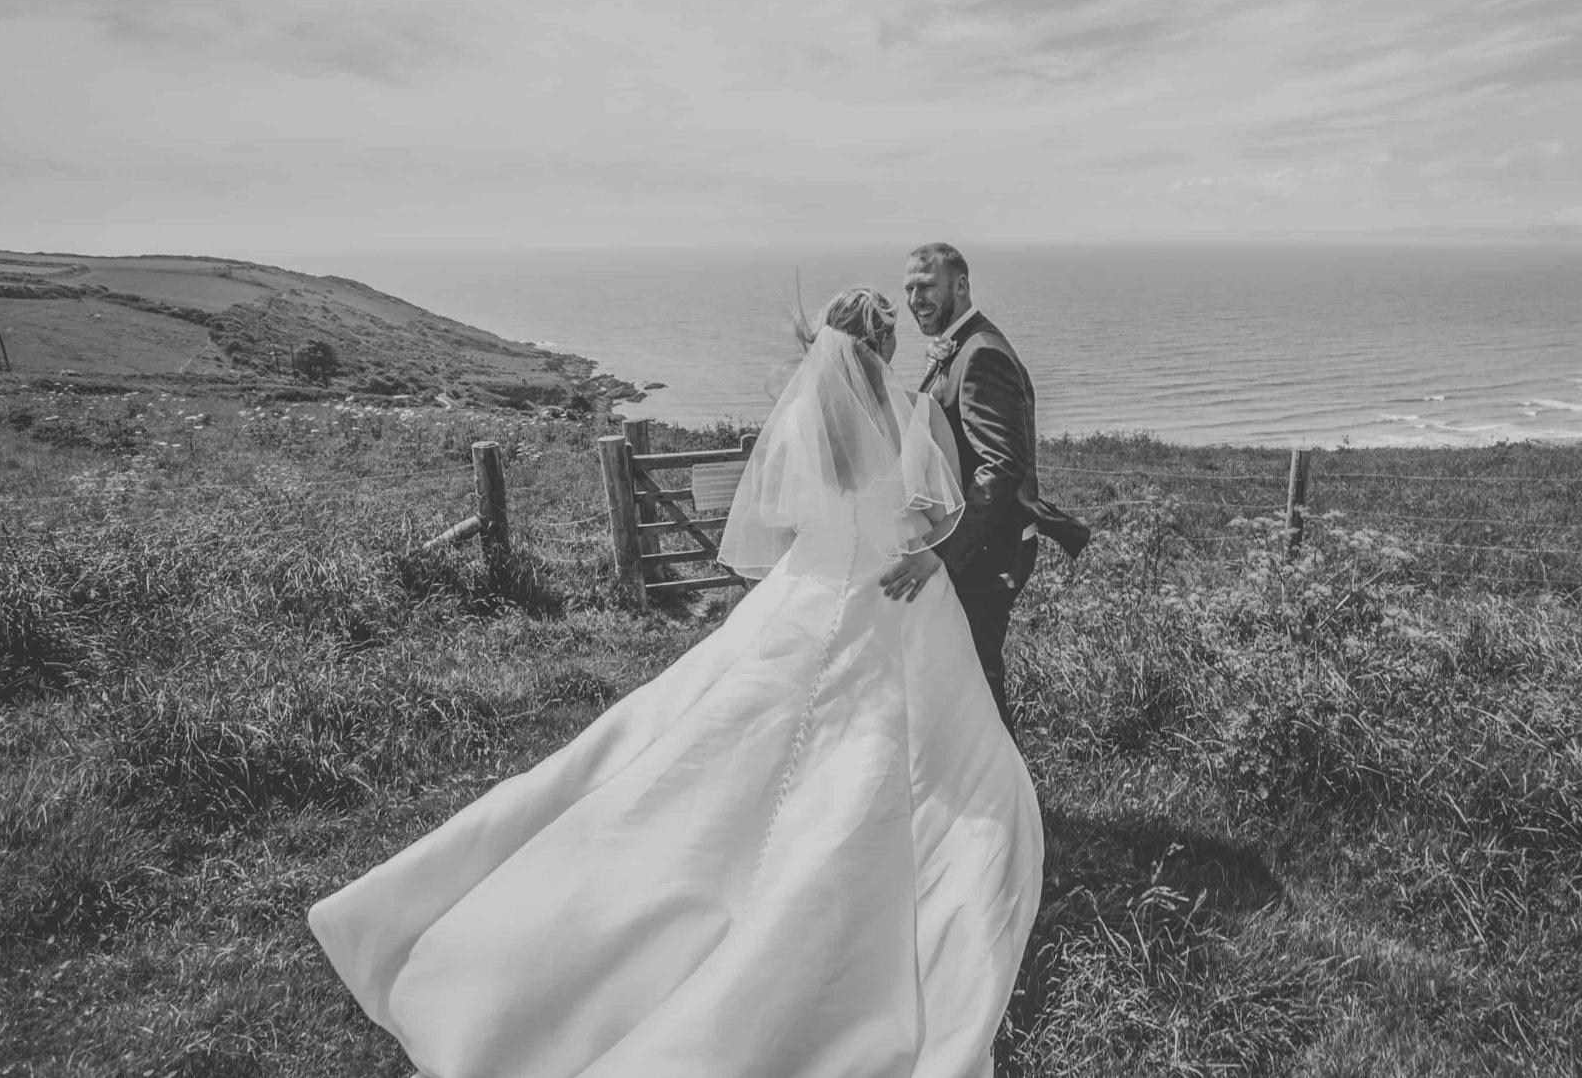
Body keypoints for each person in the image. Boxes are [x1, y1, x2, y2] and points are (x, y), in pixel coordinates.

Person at [307, 286, 1042, 1078]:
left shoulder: (801, 419)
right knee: (924, 756)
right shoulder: (914, 416)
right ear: (884, 348)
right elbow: (938, 515)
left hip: (810, 588)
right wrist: (913, 545)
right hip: (899, 595)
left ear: (828, 347)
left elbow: (784, 519)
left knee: (706, 728)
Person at [881, 244, 1088, 738]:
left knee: (978, 679)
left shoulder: (982, 354)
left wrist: (941, 553)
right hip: (976, 545)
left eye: (927, 285)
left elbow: (1000, 467)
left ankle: (1007, 799)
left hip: (989, 552)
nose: (915, 298)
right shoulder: (963, 344)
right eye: (909, 288)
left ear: (961, 284)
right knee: (963, 676)